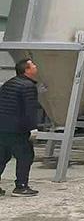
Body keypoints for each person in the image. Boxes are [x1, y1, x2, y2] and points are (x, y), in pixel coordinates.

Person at [0, 58, 40, 197]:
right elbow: (30, 109)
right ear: (26, 70)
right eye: (33, 65)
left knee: (2, 156)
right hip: (17, 129)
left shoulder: (9, 83)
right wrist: (33, 128)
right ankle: (21, 186)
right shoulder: (28, 86)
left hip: (2, 127)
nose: (36, 66)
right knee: (25, 156)